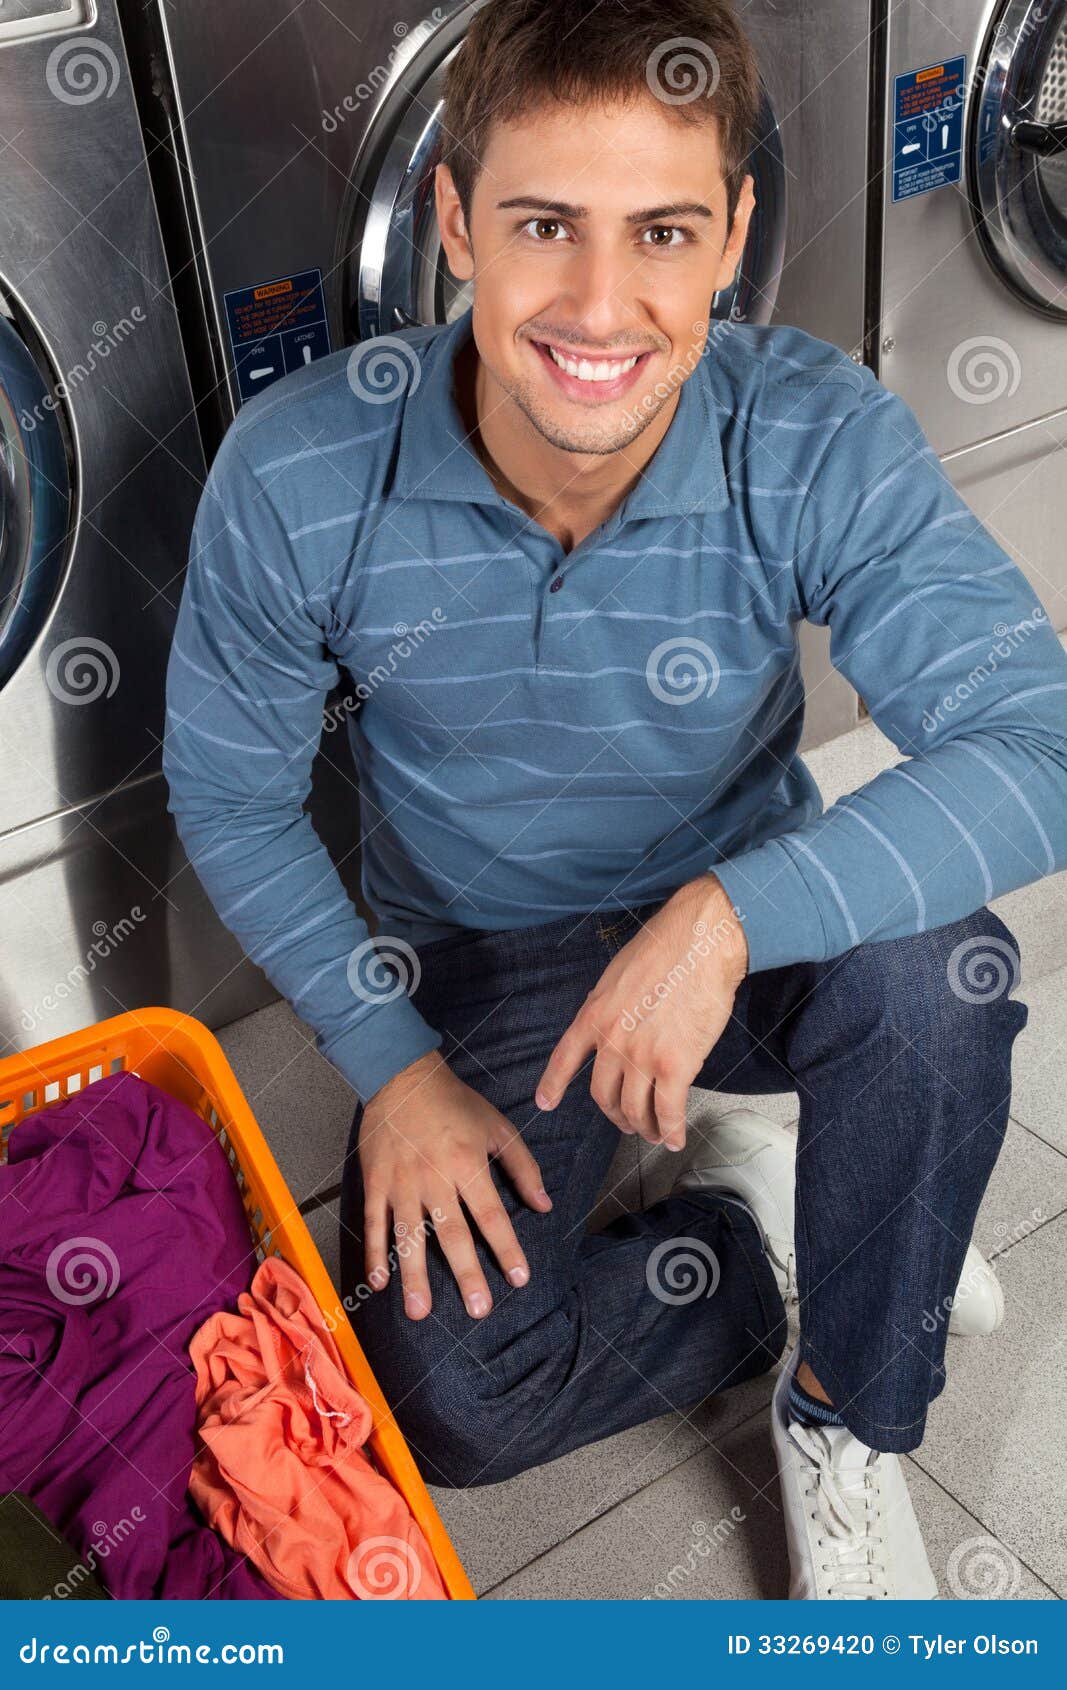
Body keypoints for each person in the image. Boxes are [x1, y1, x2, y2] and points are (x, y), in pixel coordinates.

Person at [163, 0, 1064, 1600]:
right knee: (454, 1397)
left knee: (936, 984)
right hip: (485, 961)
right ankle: (761, 1236)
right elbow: (229, 797)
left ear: (730, 235)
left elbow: (1039, 745)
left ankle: (850, 1413)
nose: (600, 303)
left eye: (660, 229)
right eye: (541, 226)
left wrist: (727, 914)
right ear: (451, 223)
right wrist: (393, 1068)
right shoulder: (300, 470)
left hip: (742, 914)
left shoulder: (812, 429)